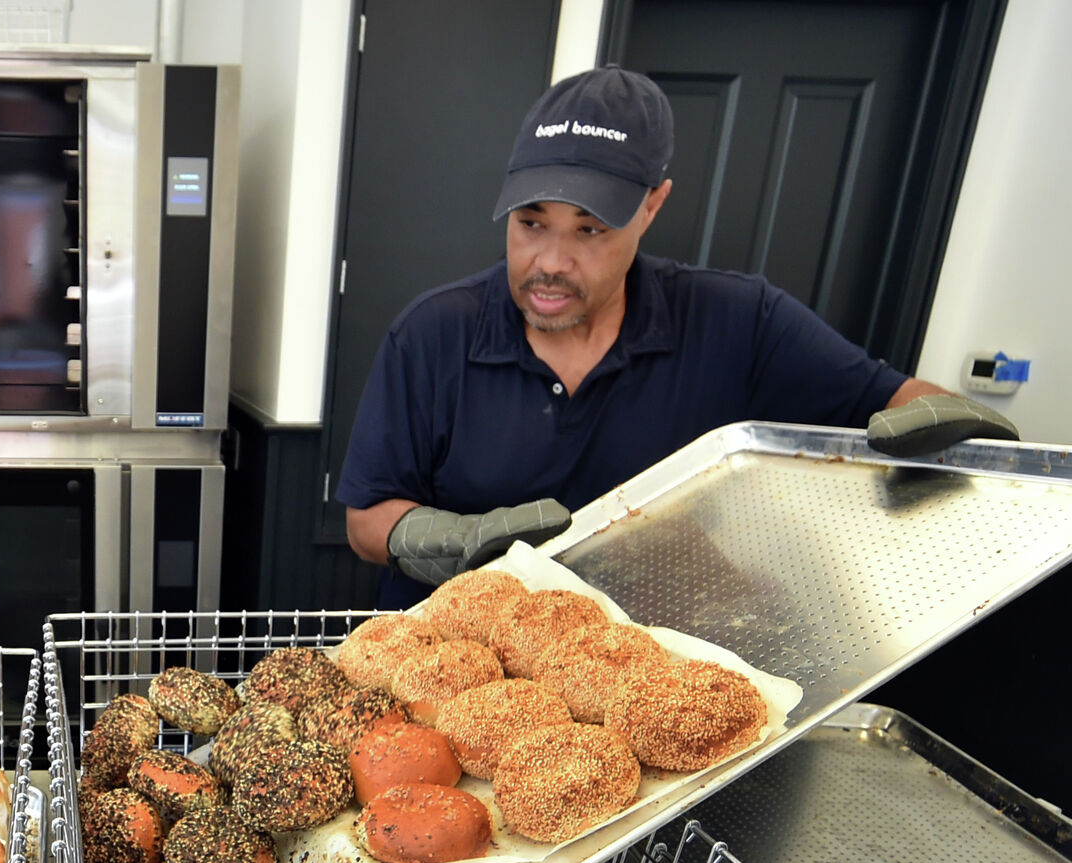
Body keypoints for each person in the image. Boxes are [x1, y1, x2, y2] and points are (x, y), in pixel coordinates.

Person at [337, 65, 1018, 608]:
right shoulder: (433, 332)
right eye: (531, 222)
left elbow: (898, 398)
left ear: (653, 205)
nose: (549, 261)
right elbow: (366, 519)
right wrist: (456, 540)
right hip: (449, 660)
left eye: (589, 229)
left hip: (645, 659)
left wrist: (955, 432)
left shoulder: (739, 320)